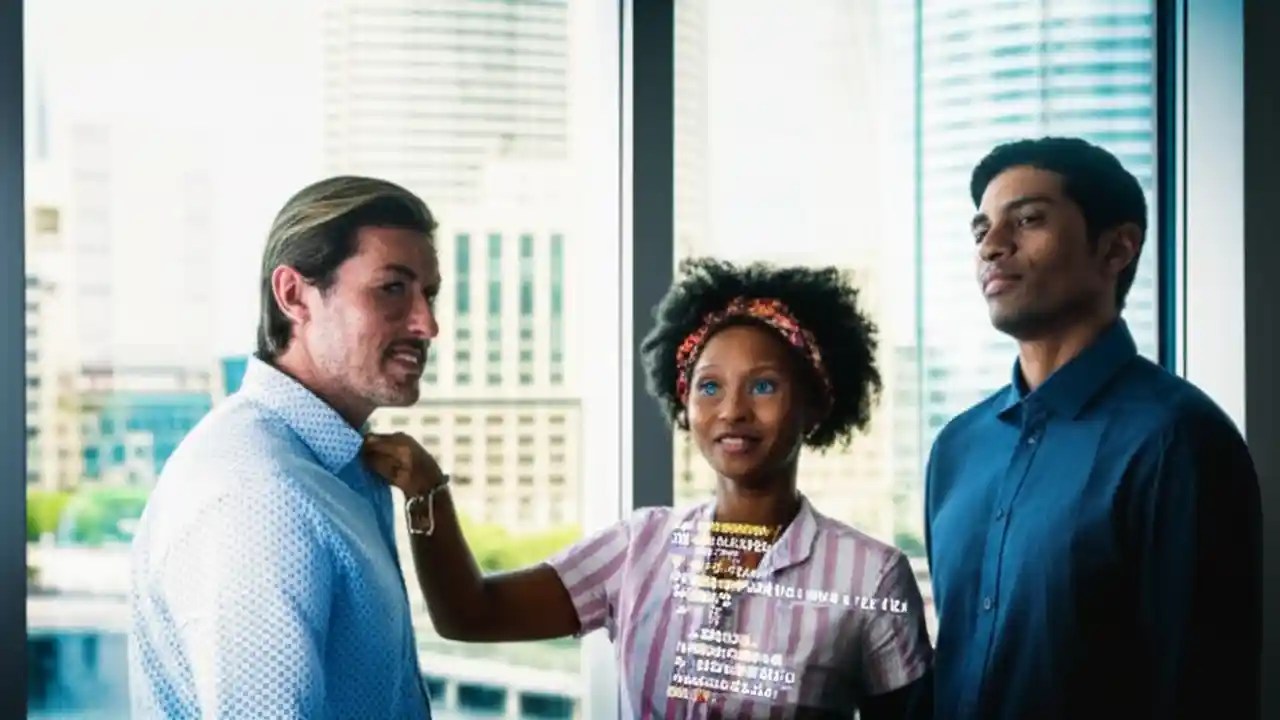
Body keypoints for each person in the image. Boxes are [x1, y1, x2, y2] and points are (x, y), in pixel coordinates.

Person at [364, 258, 934, 719]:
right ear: (684, 407)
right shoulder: (640, 546)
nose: (732, 410)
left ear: (815, 405)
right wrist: (427, 493)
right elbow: (471, 614)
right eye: (709, 387)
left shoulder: (870, 574)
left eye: (763, 385)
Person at [925, 137, 1263, 719]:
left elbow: (1204, 686)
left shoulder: (1177, 439)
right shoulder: (958, 447)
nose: (993, 247)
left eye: (1027, 220)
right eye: (980, 230)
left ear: (1116, 249)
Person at [128, 176, 440, 719]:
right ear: (294, 295)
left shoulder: (339, 466)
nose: (428, 324)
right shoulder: (262, 496)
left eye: (429, 294)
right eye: (392, 288)